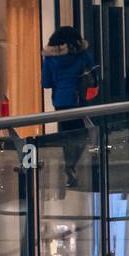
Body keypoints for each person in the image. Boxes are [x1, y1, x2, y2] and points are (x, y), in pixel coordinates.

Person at [42, 26, 95, 188]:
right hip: (78, 100)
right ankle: (71, 165)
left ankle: (69, 166)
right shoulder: (82, 54)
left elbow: (46, 83)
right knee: (83, 134)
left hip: (60, 101)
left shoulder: (50, 58)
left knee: (66, 135)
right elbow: (94, 72)